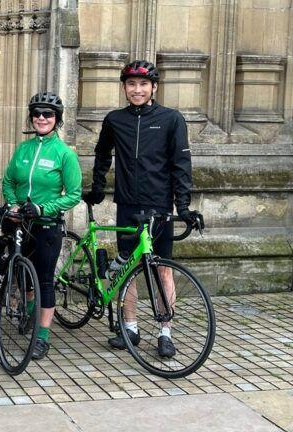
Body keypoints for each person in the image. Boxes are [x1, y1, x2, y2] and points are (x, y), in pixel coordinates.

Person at [83, 60, 201, 358]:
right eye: (131, 84)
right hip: (127, 205)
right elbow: (101, 155)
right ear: (124, 88)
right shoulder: (115, 119)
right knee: (128, 270)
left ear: (154, 87)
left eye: (143, 84)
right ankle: (131, 328)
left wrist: (183, 206)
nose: (137, 89)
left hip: (159, 206)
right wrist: (98, 189)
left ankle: (165, 332)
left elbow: (181, 165)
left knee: (162, 270)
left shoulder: (172, 119)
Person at [2, 91, 82, 360]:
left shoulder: (64, 154)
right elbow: (8, 180)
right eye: (37, 113)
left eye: (48, 114)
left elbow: (73, 194)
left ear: (56, 119)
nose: (41, 118)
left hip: (47, 225)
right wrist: (13, 204)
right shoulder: (23, 149)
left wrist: (43, 208)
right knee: (24, 276)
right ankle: (28, 312)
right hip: (21, 224)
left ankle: (43, 335)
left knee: (44, 280)